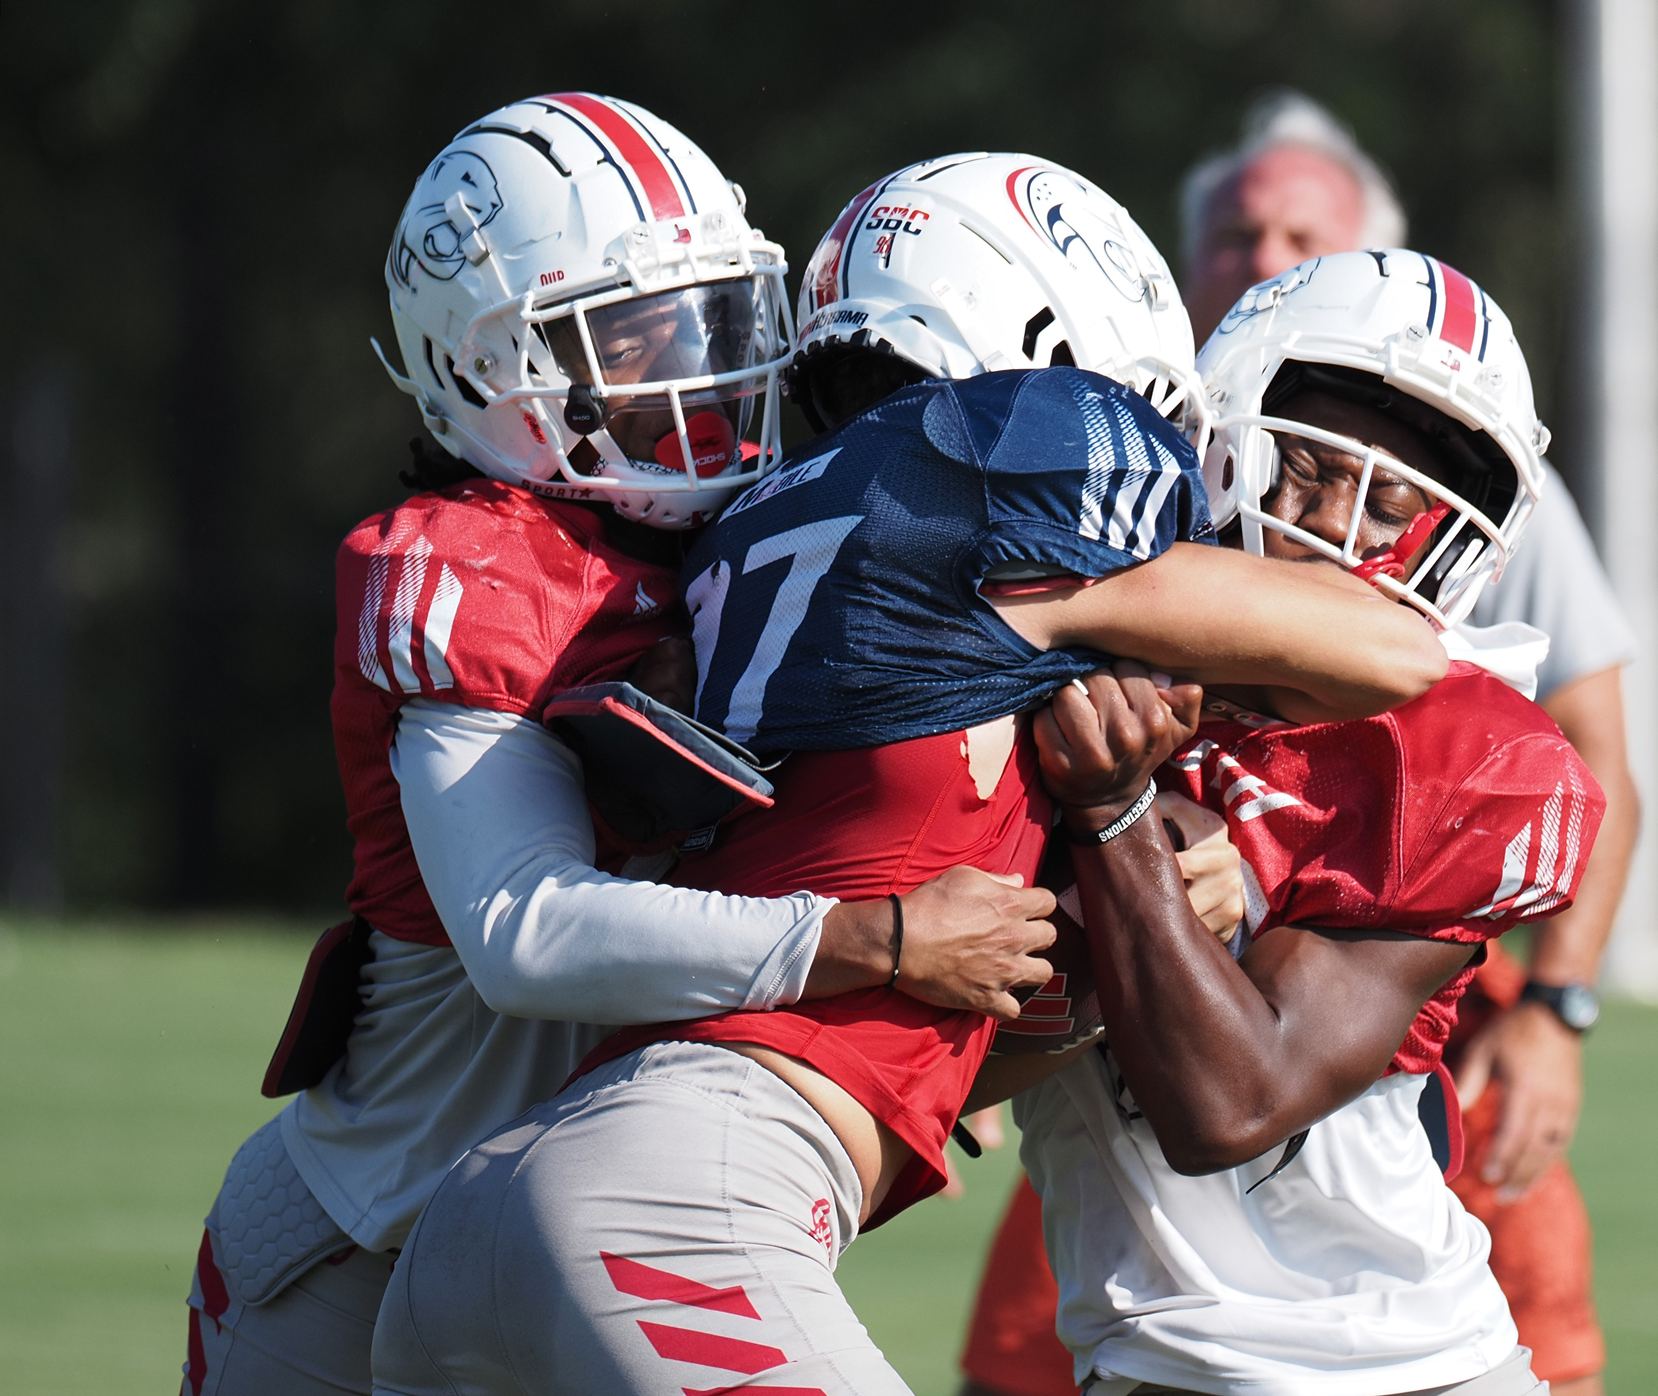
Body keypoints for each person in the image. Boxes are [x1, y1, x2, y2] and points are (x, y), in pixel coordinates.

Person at [369, 154, 1451, 1396]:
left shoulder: (752, 528)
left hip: (502, 1207)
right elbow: (1389, 652)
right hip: (680, 1198)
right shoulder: (989, 507)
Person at [179, 97, 1065, 1396]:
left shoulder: (752, 535)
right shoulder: (476, 570)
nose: (698, 368)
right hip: (357, 1241)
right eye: (637, 336)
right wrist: (874, 942)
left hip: (570, 1209)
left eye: (716, 317)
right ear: (489, 368)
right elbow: (528, 933)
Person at [961, 94, 1636, 1396]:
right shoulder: (1062, 646)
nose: (1356, 536)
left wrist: (1118, 831)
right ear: (1224, 440)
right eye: (1319, 472)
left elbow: (1231, 1096)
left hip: (1413, 1368)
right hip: (1146, 1359)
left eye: (1403, 507)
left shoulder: (1469, 756)